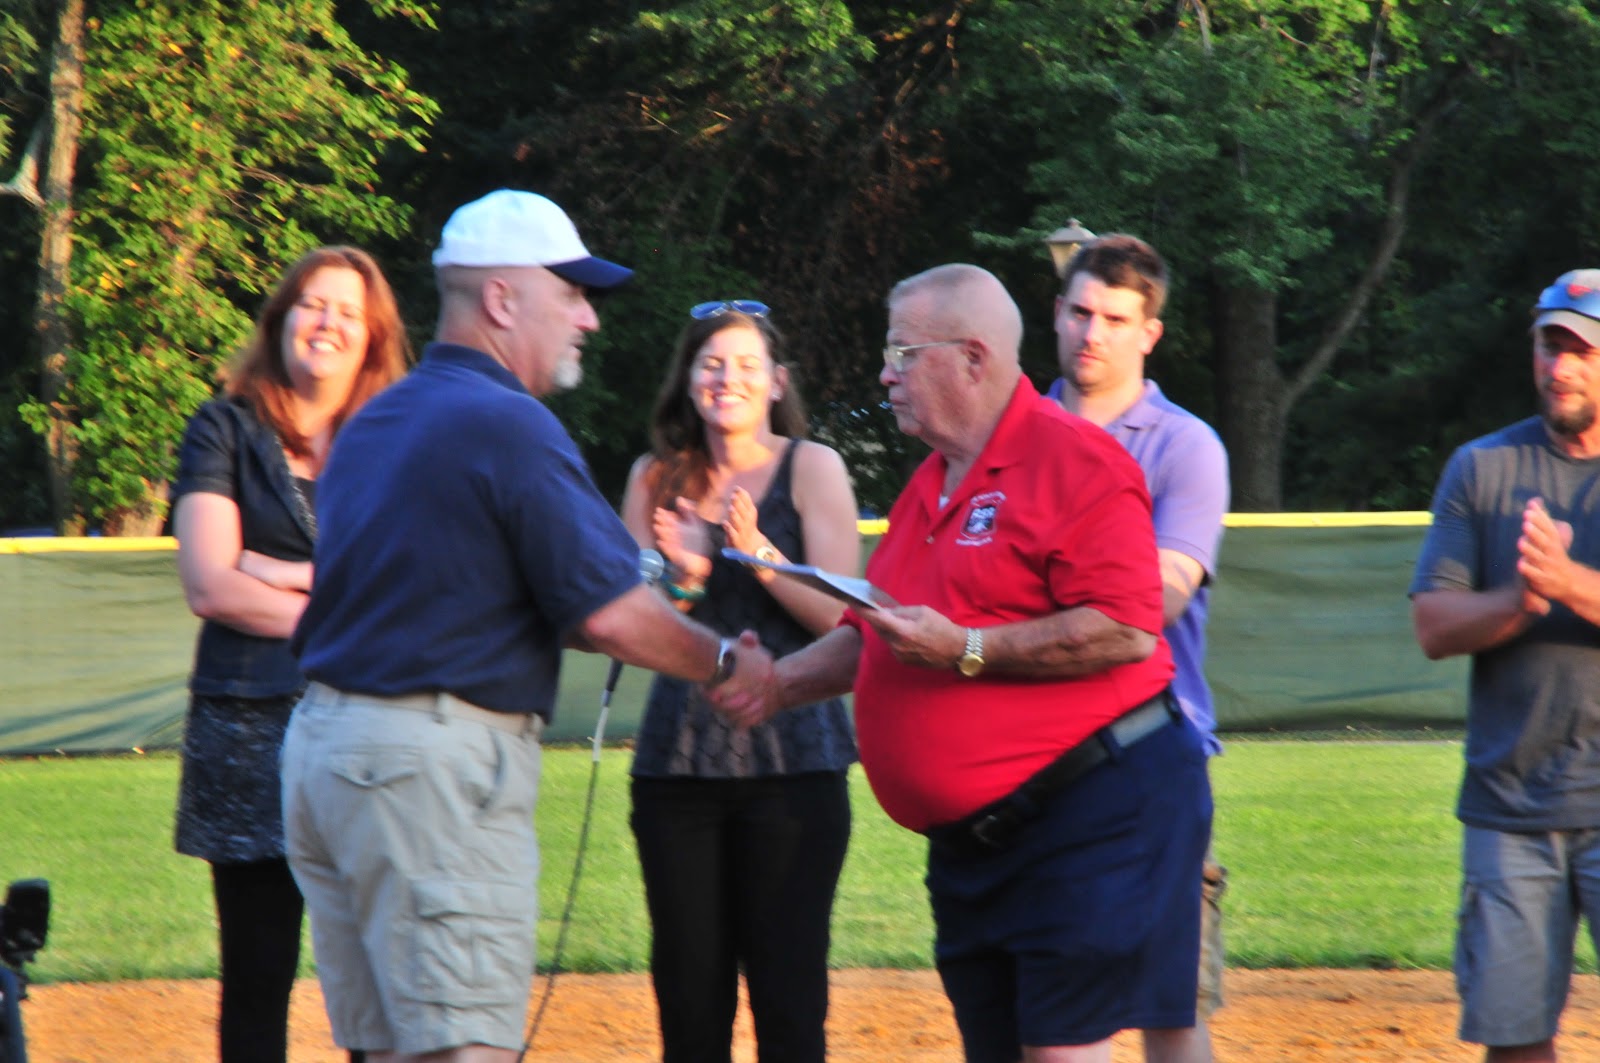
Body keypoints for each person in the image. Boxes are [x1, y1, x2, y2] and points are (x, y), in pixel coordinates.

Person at [280, 189, 776, 1063]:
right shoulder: (507, 421)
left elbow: (516, 595)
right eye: (572, 290)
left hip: (329, 753)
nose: (587, 316)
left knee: (387, 1048)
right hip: (429, 765)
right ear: (503, 300)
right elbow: (614, 614)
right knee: (459, 1047)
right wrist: (728, 661)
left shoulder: (376, 419)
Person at [713, 263, 1213, 1062]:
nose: (885, 372)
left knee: (1062, 1048)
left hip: (1090, 810)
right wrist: (779, 685)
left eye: (903, 353)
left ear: (973, 359)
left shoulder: (1072, 458)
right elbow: (881, 627)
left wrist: (969, 648)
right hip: (978, 846)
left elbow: (1128, 626)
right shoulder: (930, 484)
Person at [171, 245, 411, 1063]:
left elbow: (411, 583)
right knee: (258, 976)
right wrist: (341, 599)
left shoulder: (396, 439)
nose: (329, 322)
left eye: (348, 311)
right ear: (281, 319)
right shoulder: (224, 425)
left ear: (373, 334)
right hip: (246, 729)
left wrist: (275, 567)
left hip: (368, 723)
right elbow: (209, 584)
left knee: (375, 980)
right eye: (313, 303)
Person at [619, 300, 861, 1063]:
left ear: (777, 379)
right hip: (678, 768)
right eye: (712, 363)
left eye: (747, 364)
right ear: (688, 380)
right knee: (691, 1004)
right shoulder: (655, 476)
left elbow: (841, 619)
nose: (729, 378)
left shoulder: (811, 466)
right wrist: (689, 578)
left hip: (796, 766)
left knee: (790, 1002)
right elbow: (636, 624)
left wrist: (751, 550)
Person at [1047, 234, 1229, 1063]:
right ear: (1056, 313)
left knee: (1171, 1017)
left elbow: (1158, 599)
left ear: (1149, 332)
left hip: (1154, 757)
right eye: (1081, 311)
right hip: (1034, 769)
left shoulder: (1183, 445)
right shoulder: (1012, 435)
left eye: (1117, 318)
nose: (1095, 332)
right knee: (1050, 1020)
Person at [1410, 268, 1600, 1063]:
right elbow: (1432, 622)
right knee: (1515, 1039)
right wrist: (1519, 602)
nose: (1560, 366)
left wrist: (1569, 585)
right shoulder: (1480, 468)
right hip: (1508, 804)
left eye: (1581, 349)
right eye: (1549, 344)